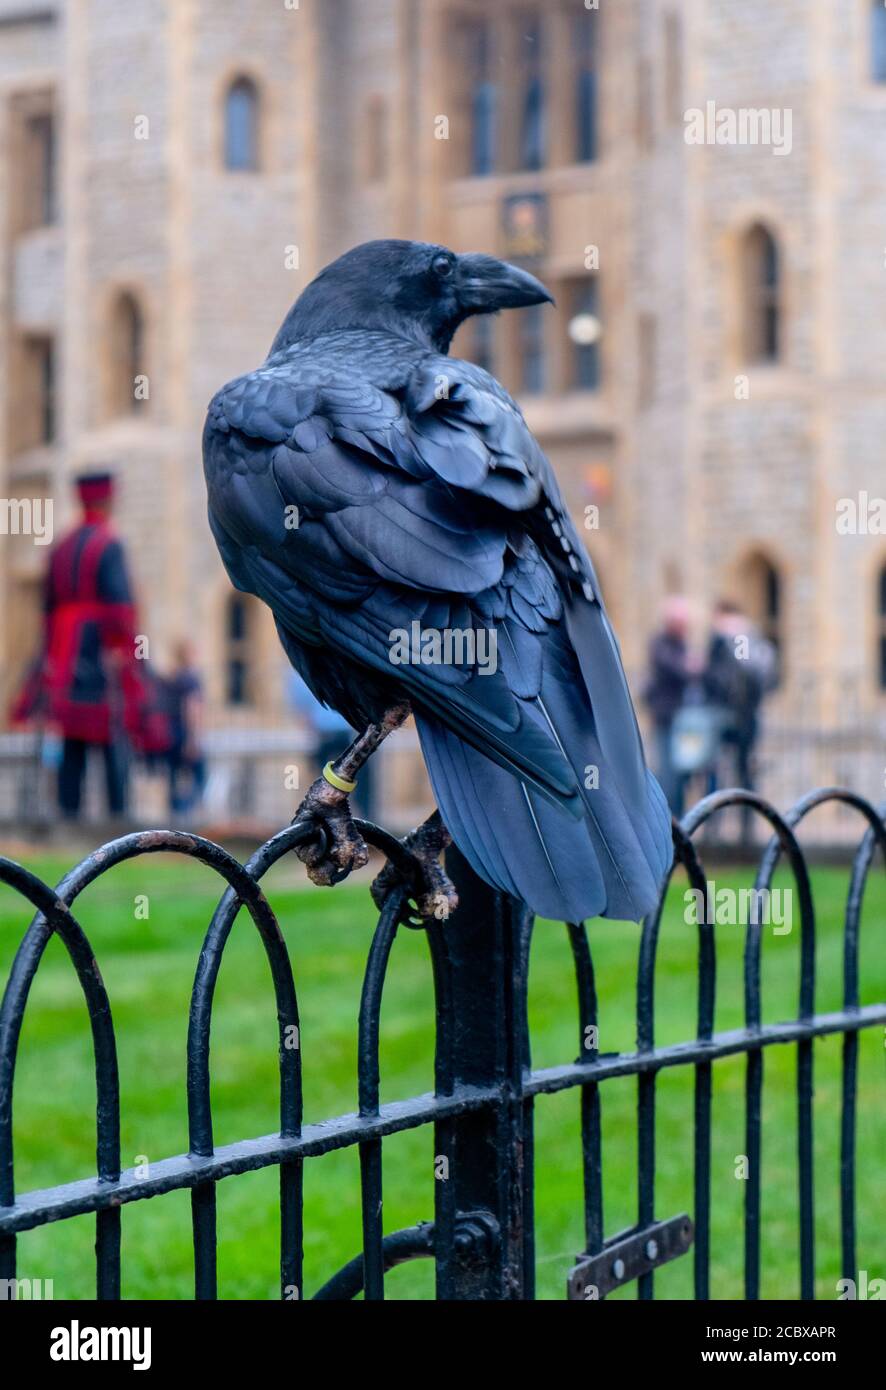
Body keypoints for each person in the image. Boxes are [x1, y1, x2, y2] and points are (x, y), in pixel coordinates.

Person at [11, 471, 146, 819]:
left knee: (71, 738)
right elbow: (119, 609)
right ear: (107, 499)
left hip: (63, 651)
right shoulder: (108, 543)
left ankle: (67, 815)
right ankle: (118, 820)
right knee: (112, 736)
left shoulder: (60, 547)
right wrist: (129, 656)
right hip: (96, 653)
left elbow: (46, 608)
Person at [703, 599, 778, 834]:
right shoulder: (736, 640)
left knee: (730, 770)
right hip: (734, 714)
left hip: (735, 714)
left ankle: (731, 827)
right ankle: (728, 826)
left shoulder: (735, 639)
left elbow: (742, 670)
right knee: (729, 770)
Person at [643, 596, 699, 816]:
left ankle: (680, 819)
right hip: (666, 717)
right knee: (668, 773)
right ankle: (667, 820)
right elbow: (679, 670)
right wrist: (690, 666)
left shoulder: (681, 644)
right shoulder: (659, 644)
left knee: (683, 773)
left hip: (685, 720)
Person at [164, 640, 206, 817]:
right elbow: (192, 709)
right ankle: (187, 812)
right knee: (199, 776)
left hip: (170, 733)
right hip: (184, 733)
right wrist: (192, 739)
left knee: (174, 777)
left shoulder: (173, 677)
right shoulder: (191, 679)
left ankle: (176, 812)